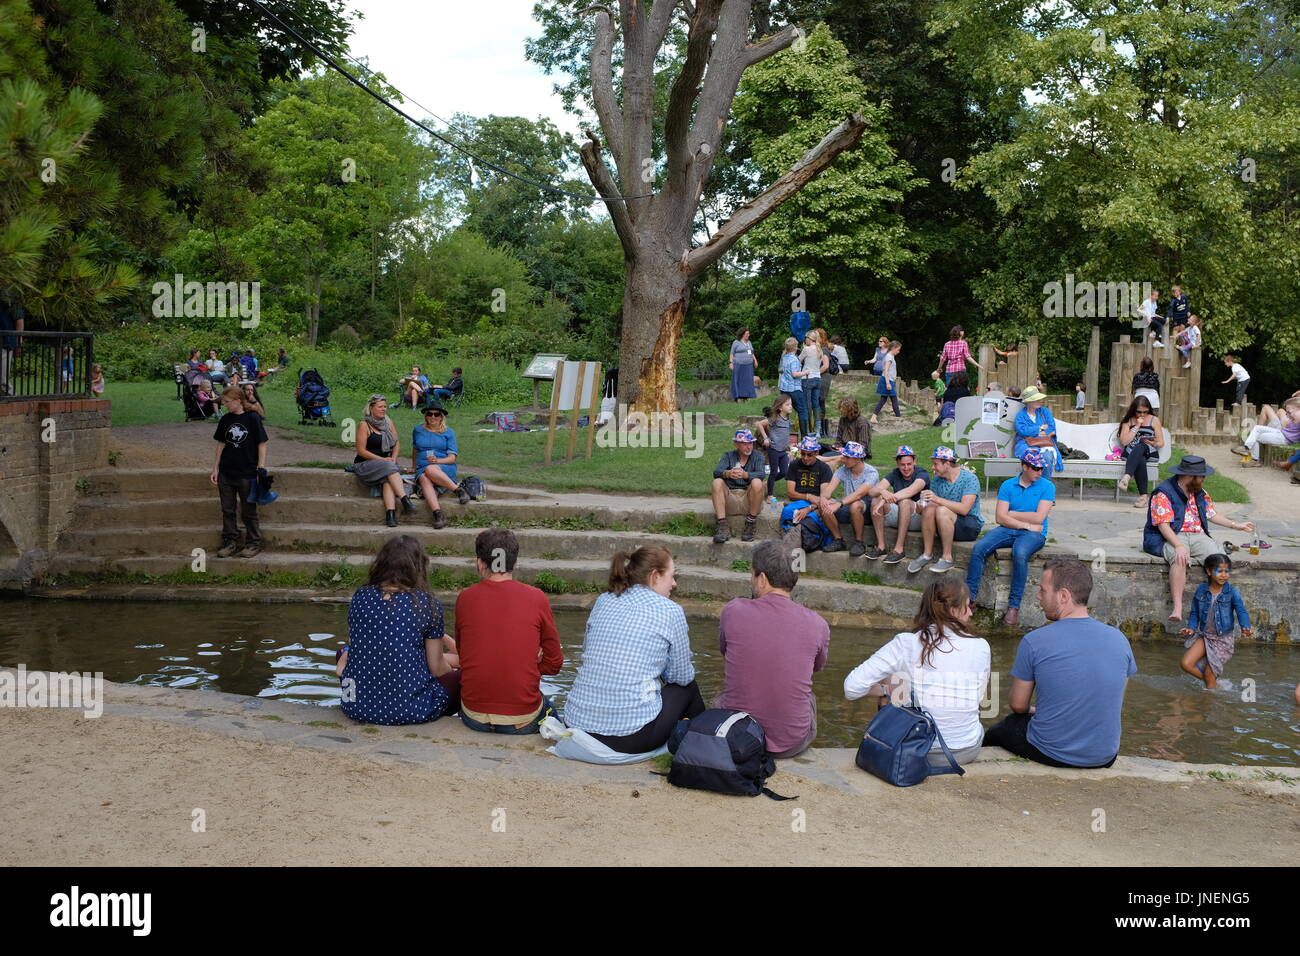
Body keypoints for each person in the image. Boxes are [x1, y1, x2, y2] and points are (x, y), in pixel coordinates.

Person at [982, 559, 1137, 769]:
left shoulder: (1034, 641)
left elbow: (1018, 705)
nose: (1038, 596)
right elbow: (1115, 697)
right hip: (1105, 755)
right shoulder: (1120, 639)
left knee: (1003, 728)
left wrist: (1036, 709)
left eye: (1042, 590)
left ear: (1063, 596)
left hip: (1054, 753)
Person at [562, 547, 706, 753]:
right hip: (630, 737)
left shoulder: (604, 600)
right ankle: (706, 743)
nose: (674, 584)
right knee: (687, 687)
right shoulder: (671, 611)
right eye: (672, 576)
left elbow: (588, 651)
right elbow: (681, 676)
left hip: (576, 724)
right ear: (655, 576)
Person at [845, 578, 990, 768]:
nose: (971, 612)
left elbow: (851, 688)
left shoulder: (906, 643)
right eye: (968, 606)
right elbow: (978, 698)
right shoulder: (981, 646)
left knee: (895, 676)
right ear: (953, 610)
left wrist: (886, 690)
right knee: (904, 679)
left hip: (917, 750)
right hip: (966, 749)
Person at [718, 540, 830, 759]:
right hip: (791, 743)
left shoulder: (733, 611)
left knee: (724, 692)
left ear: (762, 579)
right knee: (808, 697)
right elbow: (816, 667)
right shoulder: (818, 624)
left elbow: (725, 651)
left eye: (752, 575)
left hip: (734, 737)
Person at [335, 535, 460, 726]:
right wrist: (456, 669)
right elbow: (437, 668)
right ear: (418, 567)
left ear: (381, 564)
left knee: (343, 652)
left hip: (355, 706)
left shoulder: (360, 596)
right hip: (409, 710)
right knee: (461, 678)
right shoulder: (427, 604)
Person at [456, 529, 564, 733]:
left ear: (480, 563)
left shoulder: (465, 598)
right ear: (514, 563)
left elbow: (464, 656)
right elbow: (555, 664)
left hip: (474, 716)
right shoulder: (537, 598)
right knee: (552, 711)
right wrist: (527, 664)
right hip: (522, 719)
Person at [1143, 455, 1255, 621]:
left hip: (1198, 535)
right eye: (1201, 476)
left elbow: (1212, 514)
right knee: (1180, 558)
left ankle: (1218, 605)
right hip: (1172, 535)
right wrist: (1179, 546)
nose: (1203, 479)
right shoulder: (1164, 492)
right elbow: (1163, 525)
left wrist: (1235, 525)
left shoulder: (1200, 492)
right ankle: (1177, 608)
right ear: (1189, 476)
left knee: (1219, 561)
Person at [964, 449, 1055, 627]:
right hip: (1013, 529)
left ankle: (1014, 607)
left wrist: (1012, 514)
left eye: (1041, 468)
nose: (1039, 472)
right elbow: (1000, 518)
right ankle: (969, 598)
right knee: (979, 549)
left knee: (1019, 553)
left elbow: (1039, 518)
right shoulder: (1007, 485)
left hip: (1034, 534)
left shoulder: (1047, 486)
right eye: (1035, 468)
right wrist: (1025, 523)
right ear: (1024, 466)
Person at [210, 385, 269, 559]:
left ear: (237, 400)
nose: (225, 405)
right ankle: (230, 542)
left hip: (247, 472)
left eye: (227, 402)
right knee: (227, 509)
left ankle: (253, 543)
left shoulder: (252, 418)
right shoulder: (225, 419)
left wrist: (261, 468)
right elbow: (221, 444)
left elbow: (262, 444)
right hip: (226, 473)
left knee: (248, 510)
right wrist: (215, 467)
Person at [1179, 554, 1252, 690]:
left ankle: (1209, 701)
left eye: (1227, 571)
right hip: (1206, 636)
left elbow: (1241, 611)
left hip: (1222, 640)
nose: (1224, 575)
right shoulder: (1201, 590)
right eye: (1220, 571)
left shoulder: (1232, 592)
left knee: (1209, 674)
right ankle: (1213, 684)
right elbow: (1194, 612)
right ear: (1208, 571)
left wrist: (1245, 627)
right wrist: (1191, 628)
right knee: (1185, 663)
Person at [907, 446, 982, 574]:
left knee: (941, 509)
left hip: (968, 526)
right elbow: (927, 508)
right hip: (943, 524)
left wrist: (937, 499)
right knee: (930, 507)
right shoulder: (937, 480)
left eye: (935, 464)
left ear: (947, 464)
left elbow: (964, 509)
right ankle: (927, 554)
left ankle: (947, 557)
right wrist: (921, 506)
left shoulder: (969, 479)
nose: (933, 467)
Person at [354, 394, 416, 528]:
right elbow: (361, 451)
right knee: (389, 468)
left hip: (387, 464)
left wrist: (393, 458)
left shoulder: (388, 422)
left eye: (385, 407)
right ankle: (405, 499)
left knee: (388, 476)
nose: (384, 409)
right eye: (380, 407)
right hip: (365, 464)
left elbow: (396, 442)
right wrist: (384, 460)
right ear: (371, 408)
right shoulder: (364, 425)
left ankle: (390, 515)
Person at [867, 445, 929, 562]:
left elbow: (912, 490)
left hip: (918, 518)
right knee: (875, 499)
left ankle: (899, 549)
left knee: (905, 501)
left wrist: (885, 499)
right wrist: (882, 491)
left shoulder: (922, 473)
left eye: (909, 464)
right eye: (902, 465)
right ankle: (881, 547)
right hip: (900, 515)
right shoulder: (895, 473)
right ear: (897, 464)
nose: (906, 468)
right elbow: (871, 491)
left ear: (914, 462)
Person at [413, 403, 470, 529]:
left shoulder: (449, 433)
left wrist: (438, 460)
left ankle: (457, 490)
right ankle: (438, 514)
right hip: (422, 467)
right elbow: (415, 450)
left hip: (443, 466)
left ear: (441, 417)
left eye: (436, 414)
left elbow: (452, 458)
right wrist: (413, 466)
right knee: (423, 477)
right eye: (429, 414)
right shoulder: (418, 430)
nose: (433, 417)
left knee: (430, 469)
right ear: (426, 416)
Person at [786, 434, 845, 552]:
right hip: (799, 502)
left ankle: (837, 539)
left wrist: (810, 507)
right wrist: (808, 496)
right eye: (803, 454)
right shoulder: (794, 465)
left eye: (809, 455)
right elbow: (790, 493)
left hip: (816, 505)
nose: (805, 458)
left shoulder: (823, 468)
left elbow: (823, 497)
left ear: (817, 452)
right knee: (788, 513)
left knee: (822, 509)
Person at [712, 428, 768, 544]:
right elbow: (716, 472)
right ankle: (722, 525)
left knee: (758, 482)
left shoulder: (758, 456)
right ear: (736, 444)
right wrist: (727, 473)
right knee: (717, 482)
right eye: (744, 443)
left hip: (749, 499)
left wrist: (745, 475)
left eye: (750, 443)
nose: (749, 447)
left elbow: (761, 474)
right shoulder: (728, 455)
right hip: (730, 498)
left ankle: (750, 522)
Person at [825, 442, 879, 557]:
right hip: (848, 506)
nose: (843, 459)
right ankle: (838, 540)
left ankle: (859, 542)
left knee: (855, 504)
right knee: (824, 504)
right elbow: (829, 490)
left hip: (869, 511)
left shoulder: (871, 472)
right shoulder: (843, 470)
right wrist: (824, 500)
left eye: (847, 457)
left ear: (858, 459)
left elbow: (859, 494)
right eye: (844, 456)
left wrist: (839, 503)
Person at [1117, 395, 1164, 509]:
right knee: (1140, 458)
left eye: (1145, 412)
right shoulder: (1128, 421)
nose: (1142, 415)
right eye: (1139, 412)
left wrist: (1152, 443)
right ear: (1134, 410)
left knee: (1141, 446)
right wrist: (1137, 425)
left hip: (1150, 451)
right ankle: (1143, 497)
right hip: (1132, 453)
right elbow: (1124, 442)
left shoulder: (1154, 420)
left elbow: (1161, 442)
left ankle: (1127, 477)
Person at [1232, 397, 1300, 466]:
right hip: (1281, 432)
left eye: (1289, 412)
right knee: (1256, 428)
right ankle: (1246, 448)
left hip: (1284, 439)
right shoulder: (1294, 418)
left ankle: (1254, 458)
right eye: (1287, 413)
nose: (1288, 416)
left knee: (1256, 436)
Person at [1013, 385, 1063, 474]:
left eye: (1039, 398)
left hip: (1045, 444)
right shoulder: (1021, 415)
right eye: (1035, 399)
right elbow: (1022, 431)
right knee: (1031, 458)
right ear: (1028, 402)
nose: (1039, 401)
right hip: (1026, 444)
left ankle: (1043, 486)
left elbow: (1052, 429)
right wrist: (1040, 428)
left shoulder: (1045, 412)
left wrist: (1033, 432)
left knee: (1047, 456)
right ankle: (1029, 484)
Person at [754, 397, 795, 500]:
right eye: (787, 404)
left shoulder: (788, 418)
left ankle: (767, 484)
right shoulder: (774, 418)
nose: (791, 406)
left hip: (783, 450)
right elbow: (759, 424)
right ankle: (770, 495)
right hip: (773, 450)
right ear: (780, 408)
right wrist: (765, 438)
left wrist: (788, 445)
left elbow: (784, 434)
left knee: (784, 472)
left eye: (791, 404)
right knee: (773, 472)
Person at [778, 337, 809, 437]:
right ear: (795, 347)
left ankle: (782, 432)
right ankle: (805, 437)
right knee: (802, 411)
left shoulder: (784, 357)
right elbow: (794, 374)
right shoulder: (794, 359)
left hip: (784, 388)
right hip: (794, 389)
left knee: (784, 411)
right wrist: (805, 372)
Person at [829, 396, 872, 465]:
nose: (840, 410)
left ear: (850, 409)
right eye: (840, 407)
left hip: (857, 451)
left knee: (828, 456)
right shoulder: (842, 420)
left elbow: (863, 444)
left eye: (843, 408)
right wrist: (836, 447)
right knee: (823, 448)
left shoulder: (862, 421)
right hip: (843, 448)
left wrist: (847, 450)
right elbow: (839, 439)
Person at [798, 332, 825, 437]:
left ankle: (808, 429)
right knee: (816, 405)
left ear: (810, 339)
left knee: (806, 404)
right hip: (817, 378)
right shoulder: (820, 349)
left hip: (807, 378)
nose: (805, 340)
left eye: (806, 338)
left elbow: (798, 360)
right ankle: (818, 431)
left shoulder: (806, 349)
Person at [869, 339, 902, 425]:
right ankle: (899, 417)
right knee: (893, 398)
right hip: (887, 380)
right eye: (898, 349)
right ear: (894, 348)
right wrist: (887, 383)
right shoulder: (889, 357)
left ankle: (874, 417)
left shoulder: (889, 356)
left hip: (888, 380)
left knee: (884, 399)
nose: (899, 352)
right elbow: (886, 370)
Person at [0, 291, 24, 397]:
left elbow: (19, 321)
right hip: (5, 340)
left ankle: (12, 397)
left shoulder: (9, 298)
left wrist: (18, 343)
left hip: (5, 342)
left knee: (3, 379)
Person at [729, 327, 757, 401]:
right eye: (747, 333)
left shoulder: (749, 343)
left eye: (748, 333)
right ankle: (736, 397)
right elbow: (732, 353)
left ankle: (746, 397)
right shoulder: (736, 342)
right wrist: (731, 363)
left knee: (747, 381)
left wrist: (755, 360)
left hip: (748, 365)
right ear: (743, 334)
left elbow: (751, 352)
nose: (749, 335)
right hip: (738, 364)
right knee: (738, 380)